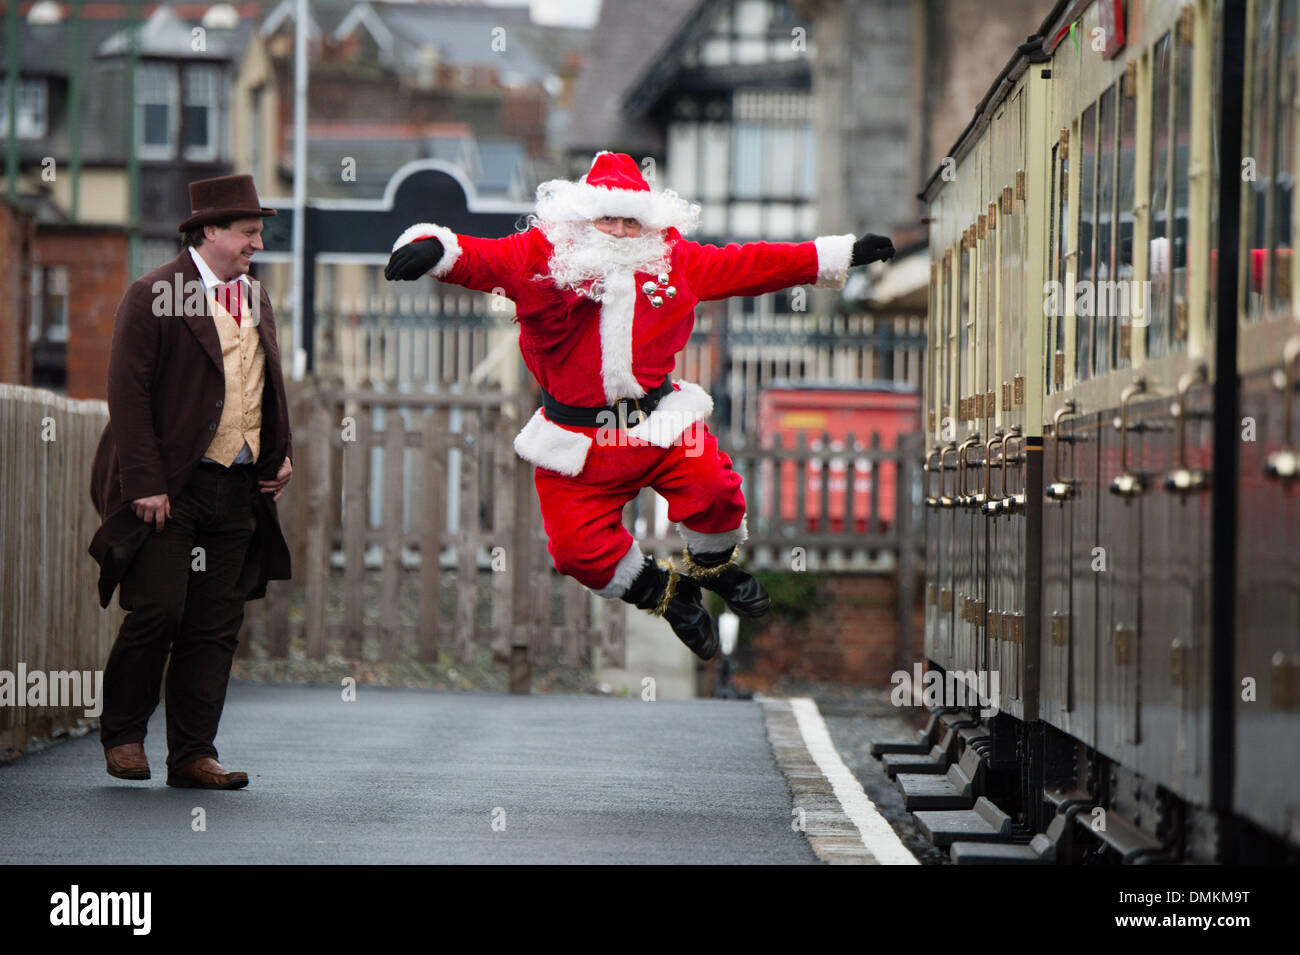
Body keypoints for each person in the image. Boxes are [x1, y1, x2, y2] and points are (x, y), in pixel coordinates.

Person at [384, 152, 893, 660]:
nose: (621, 232)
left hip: (658, 426)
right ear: (583, 219)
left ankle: (714, 569)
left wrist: (838, 254)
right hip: (578, 442)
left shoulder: (674, 262)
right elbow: (478, 257)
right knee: (577, 552)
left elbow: (753, 264)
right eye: (609, 218)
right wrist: (432, 247)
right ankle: (669, 597)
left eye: (632, 221)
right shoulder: (539, 256)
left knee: (715, 492)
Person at [88, 174, 294, 789]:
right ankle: (124, 736)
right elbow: (128, 394)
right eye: (248, 232)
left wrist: (276, 454)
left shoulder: (256, 298)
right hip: (169, 488)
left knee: (214, 624)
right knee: (156, 608)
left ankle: (192, 755)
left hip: (237, 488)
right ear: (210, 231)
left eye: (260, 232)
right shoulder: (154, 293)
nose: (257, 244)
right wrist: (145, 483)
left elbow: (265, 386)